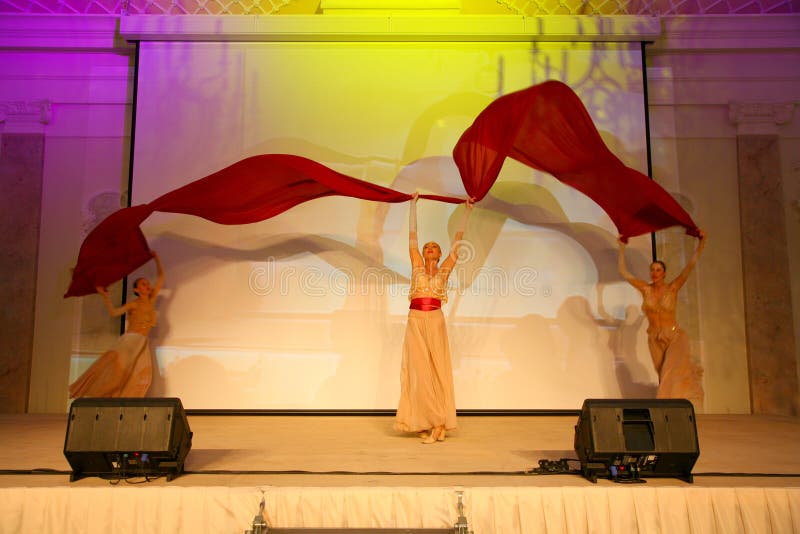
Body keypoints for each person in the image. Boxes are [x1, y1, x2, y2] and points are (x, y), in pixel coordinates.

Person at [395, 193, 474, 443]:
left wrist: (467, 211)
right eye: (426, 247)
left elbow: (458, 242)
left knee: (438, 370)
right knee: (418, 371)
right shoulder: (417, 266)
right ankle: (423, 420)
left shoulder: (445, 269)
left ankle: (439, 423)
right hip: (415, 320)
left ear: (439, 255)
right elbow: (412, 239)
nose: (429, 248)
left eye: (434, 247)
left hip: (435, 320)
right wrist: (412, 206)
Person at [617, 231, 707, 409]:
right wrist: (621, 248)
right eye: (652, 269)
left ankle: (663, 408)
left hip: (674, 337)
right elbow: (624, 273)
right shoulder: (646, 289)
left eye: (658, 269)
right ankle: (673, 408)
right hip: (654, 339)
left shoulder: (673, 288)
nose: (654, 272)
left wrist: (701, 243)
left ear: (664, 273)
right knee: (662, 375)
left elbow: (690, 266)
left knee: (668, 372)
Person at [69, 250, 164, 398]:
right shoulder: (133, 304)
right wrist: (105, 296)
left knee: (142, 377)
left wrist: (157, 259)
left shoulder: (150, 302)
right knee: (117, 375)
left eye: (147, 283)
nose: (147, 285)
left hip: (141, 343)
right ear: (136, 290)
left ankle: (125, 402)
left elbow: (161, 277)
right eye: (143, 284)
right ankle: (98, 397)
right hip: (130, 341)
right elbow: (114, 312)